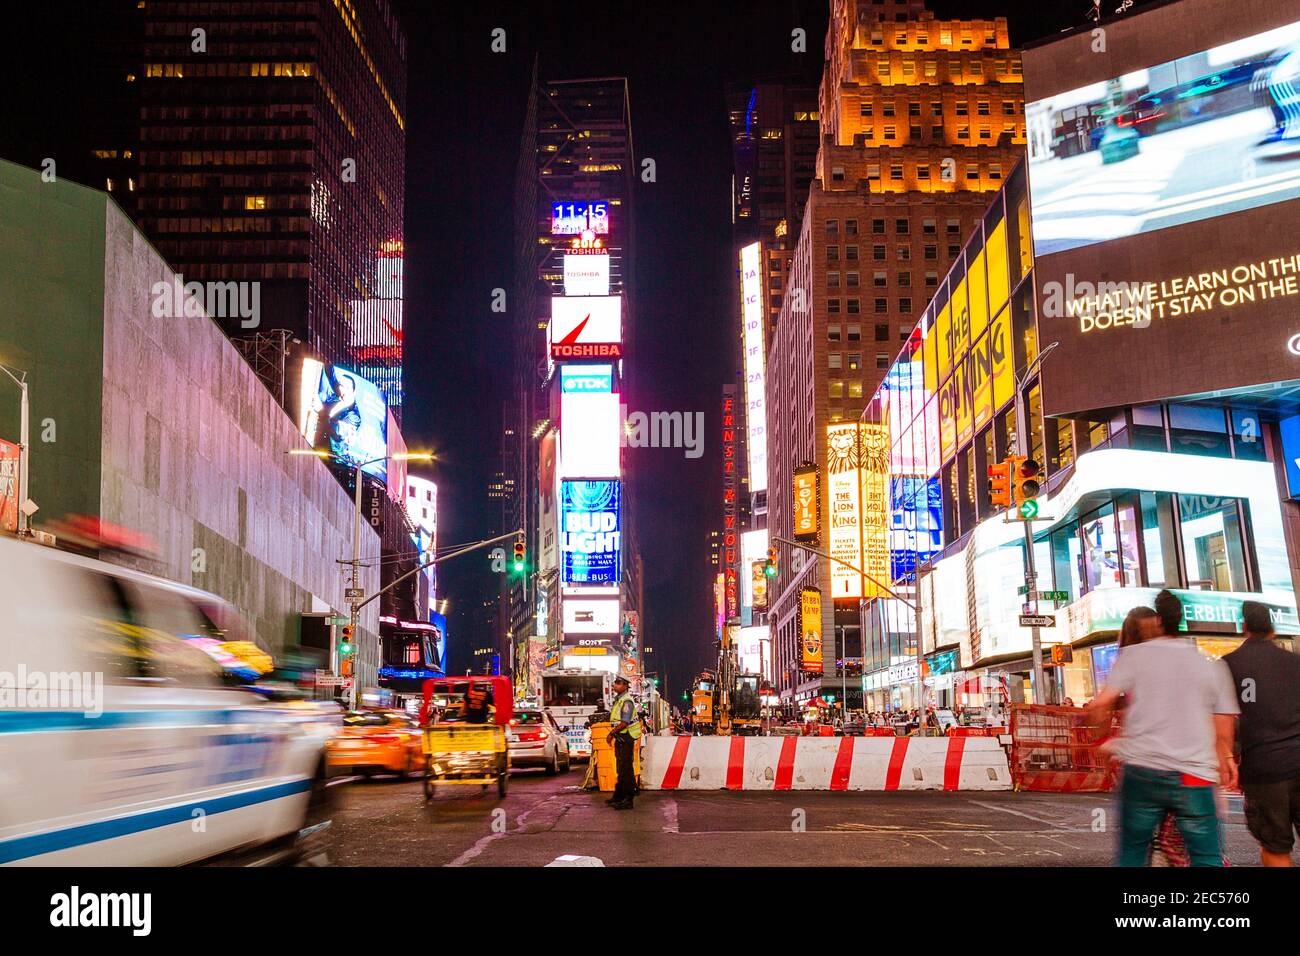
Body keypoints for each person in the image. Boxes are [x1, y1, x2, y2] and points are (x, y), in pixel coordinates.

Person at [1087, 590, 1239, 866]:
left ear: (1158, 621)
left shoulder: (1133, 656)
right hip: (1194, 775)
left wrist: (1104, 740)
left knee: (1132, 851)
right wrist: (1225, 761)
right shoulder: (1212, 665)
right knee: (1206, 856)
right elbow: (1224, 732)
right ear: (1182, 621)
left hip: (1143, 770)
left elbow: (1100, 706)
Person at [1224, 601, 1300, 867]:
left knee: (1275, 847)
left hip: (1263, 768)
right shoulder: (1295, 662)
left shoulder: (1230, 664)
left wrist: (1226, 756)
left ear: (1243, 627)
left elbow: (1225, 719)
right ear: (1273, 629)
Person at [605, 676, 641, 810]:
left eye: (619, 683)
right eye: (615, 682)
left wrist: (611, 733)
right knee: (622, 768)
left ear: (626, 686)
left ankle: (628, 799)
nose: (615, 685)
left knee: (625, 769)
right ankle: (619, 796)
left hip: (626, 737)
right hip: (622, 738)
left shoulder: (626, 701)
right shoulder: (619, 700)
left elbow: (624, 722)